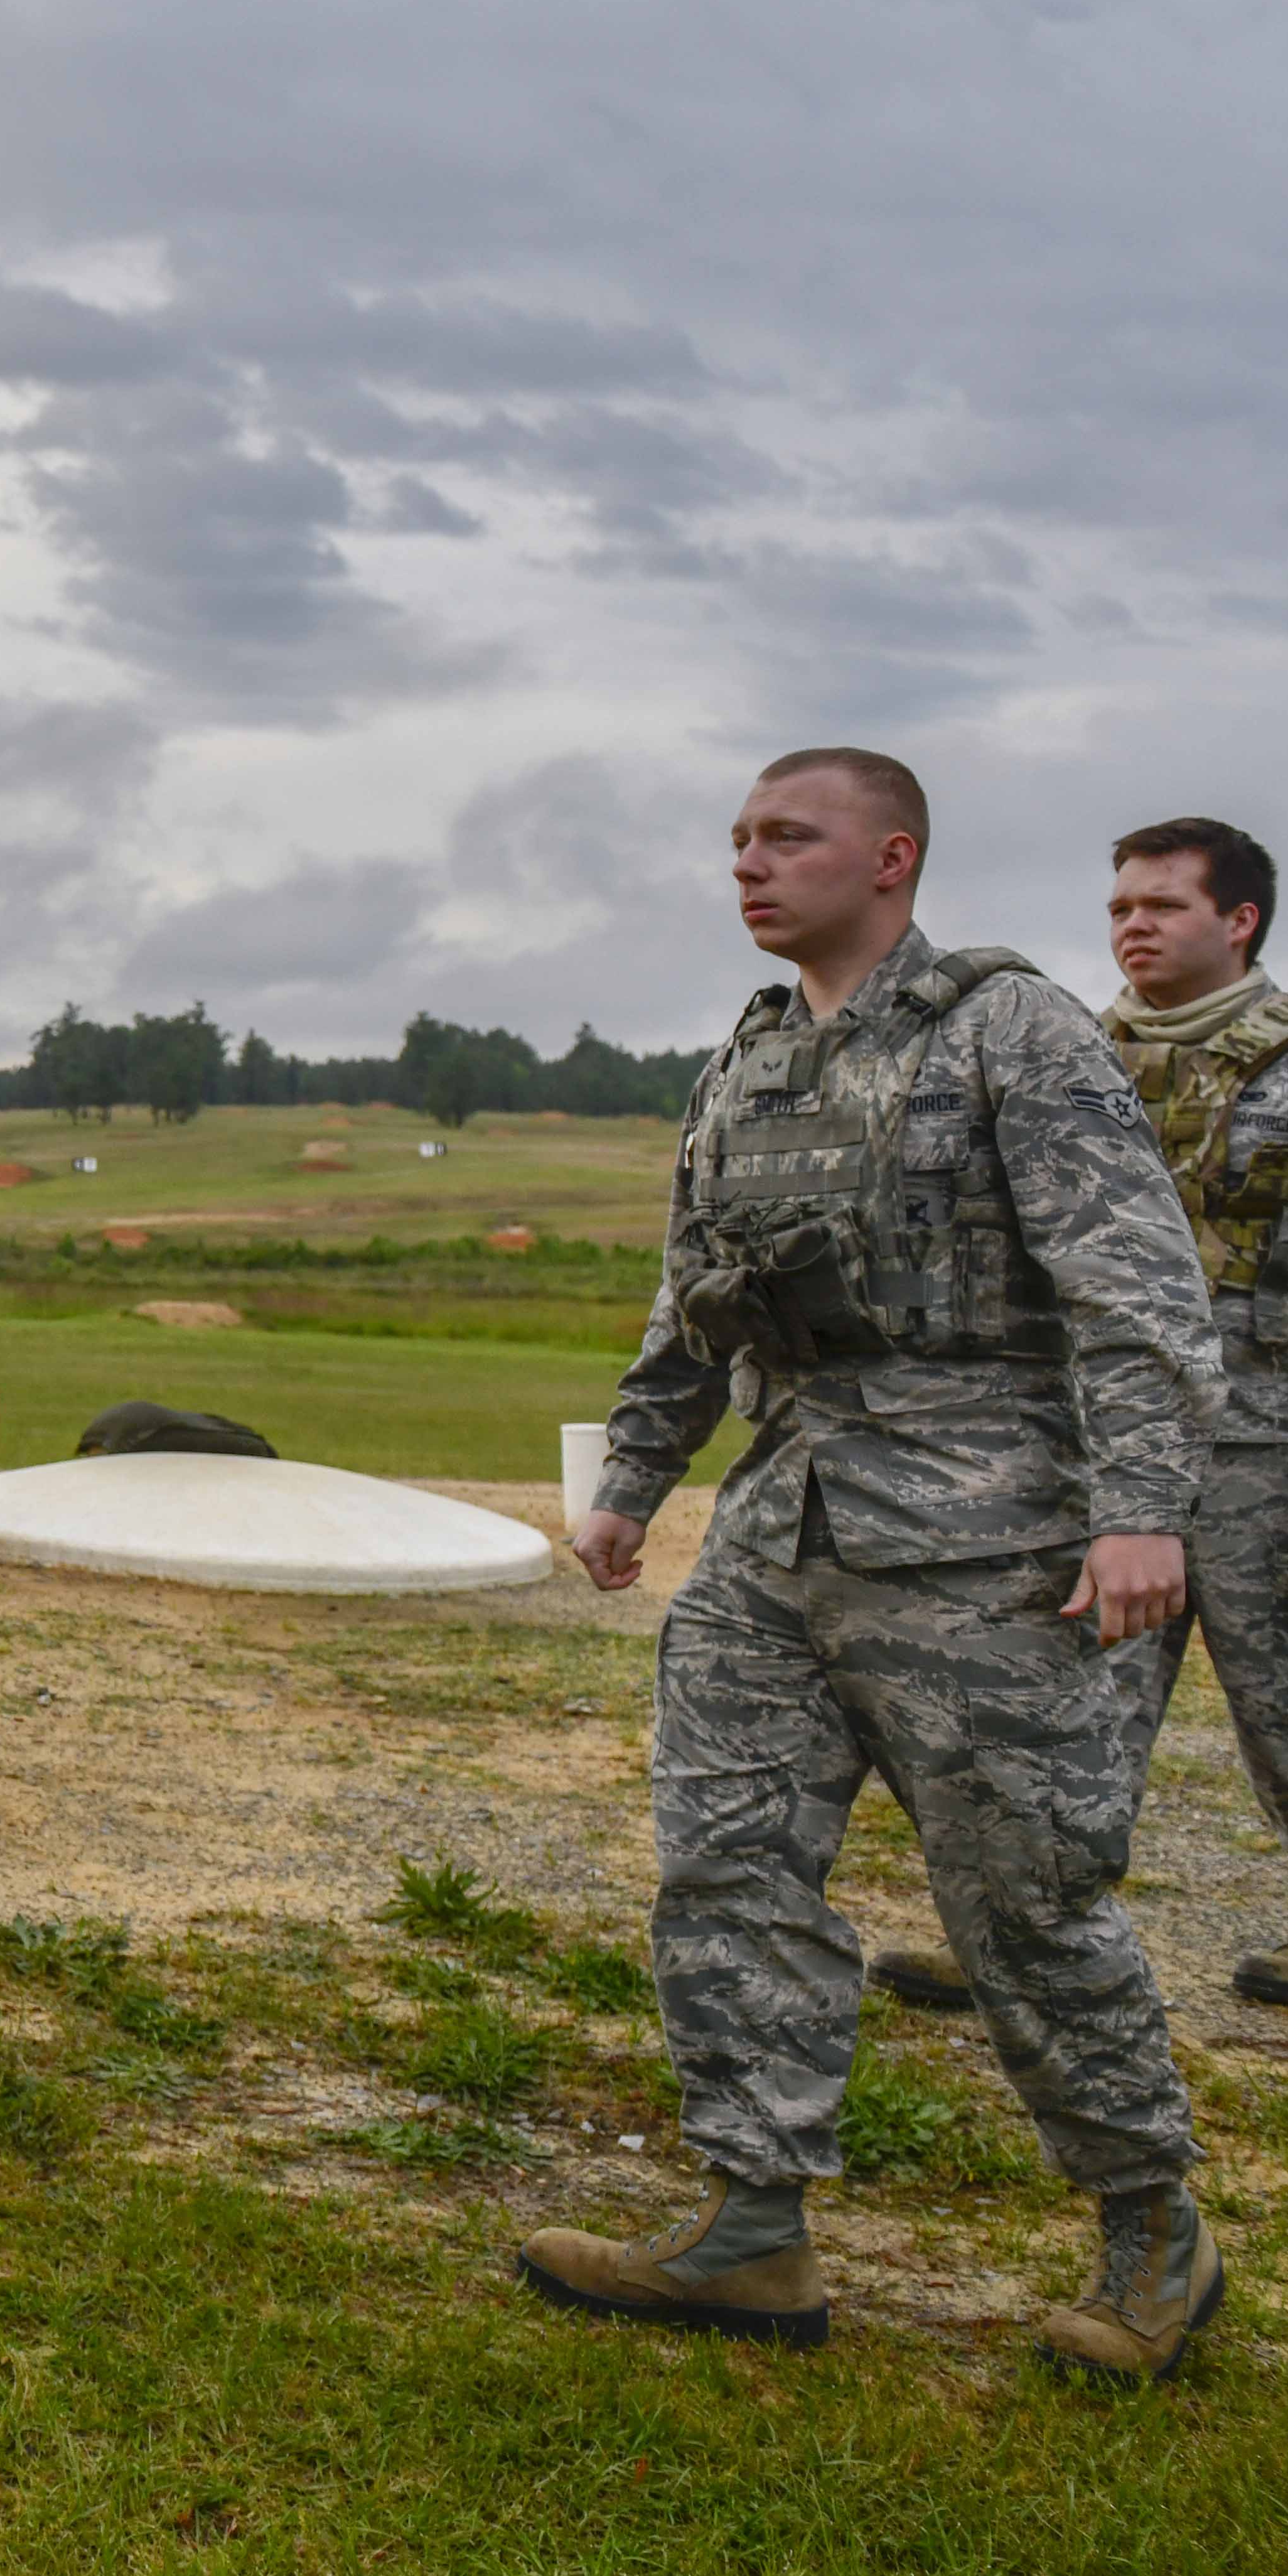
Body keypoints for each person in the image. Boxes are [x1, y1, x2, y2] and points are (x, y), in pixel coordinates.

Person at [532, 749, 1232, 2382]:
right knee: (725, 1862)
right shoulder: (752, 1059)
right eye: (738, 840)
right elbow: (694, 1287)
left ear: (893, 856)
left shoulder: (1010, 1027)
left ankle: (1152, 2231)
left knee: (1022, 1898)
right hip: (784, 1522)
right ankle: (752, 2224)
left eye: (790, 836)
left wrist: (1140, 1508)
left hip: (984, 1528)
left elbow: (1136, 1289)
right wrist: (640, 1472)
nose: (750, 865)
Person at [867, 819, 1288, 2011]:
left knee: (1287, 1689)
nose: (1132, 925)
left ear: (1237, 922)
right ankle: (1026, 1927)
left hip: (1269, 1448)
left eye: (1163, 906)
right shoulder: (1073, 1060)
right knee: (1067, 1691)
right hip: (1104, 1443)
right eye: (1119, 907)